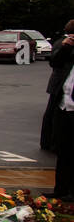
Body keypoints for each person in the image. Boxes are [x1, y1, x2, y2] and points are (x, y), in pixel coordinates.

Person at [47, 21, 74, 201]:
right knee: (62, 150)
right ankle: (60, 190)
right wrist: (65, 47)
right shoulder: (69, 50)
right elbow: (55, 62)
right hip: (63, 104)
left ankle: (71, 192)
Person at [43, 20, 74, 156]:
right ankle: (50, 142)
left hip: (61, 85)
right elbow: (54, 62)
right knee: (53, 115)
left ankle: (51, 142)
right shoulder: (62, 43)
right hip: (60, 85)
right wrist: (65, 47)